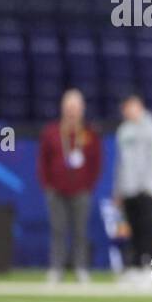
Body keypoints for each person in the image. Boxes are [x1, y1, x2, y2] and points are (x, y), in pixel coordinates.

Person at [38, 89, 103, 284]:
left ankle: (80, 268)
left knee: (80, 231)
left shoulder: (90, 133)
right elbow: (43, 161)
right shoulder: (52, 132)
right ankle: (56, 268)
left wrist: (88, 185)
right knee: (57, 230)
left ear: (82, 109)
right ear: (63, 109)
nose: (72, 111)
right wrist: (47, 186)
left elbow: (96, 163)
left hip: (81, 190)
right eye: (69, 107)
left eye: (75, 107)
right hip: (56, 190)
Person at [113, 95, 152, 280]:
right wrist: (118, 189)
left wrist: (149, 183)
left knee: (149, 231)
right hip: (128, 189)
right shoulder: (124, 130)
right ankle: (136, 270)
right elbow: (120, 163)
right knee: (134, 232)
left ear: (139, 106)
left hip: (146, 189)